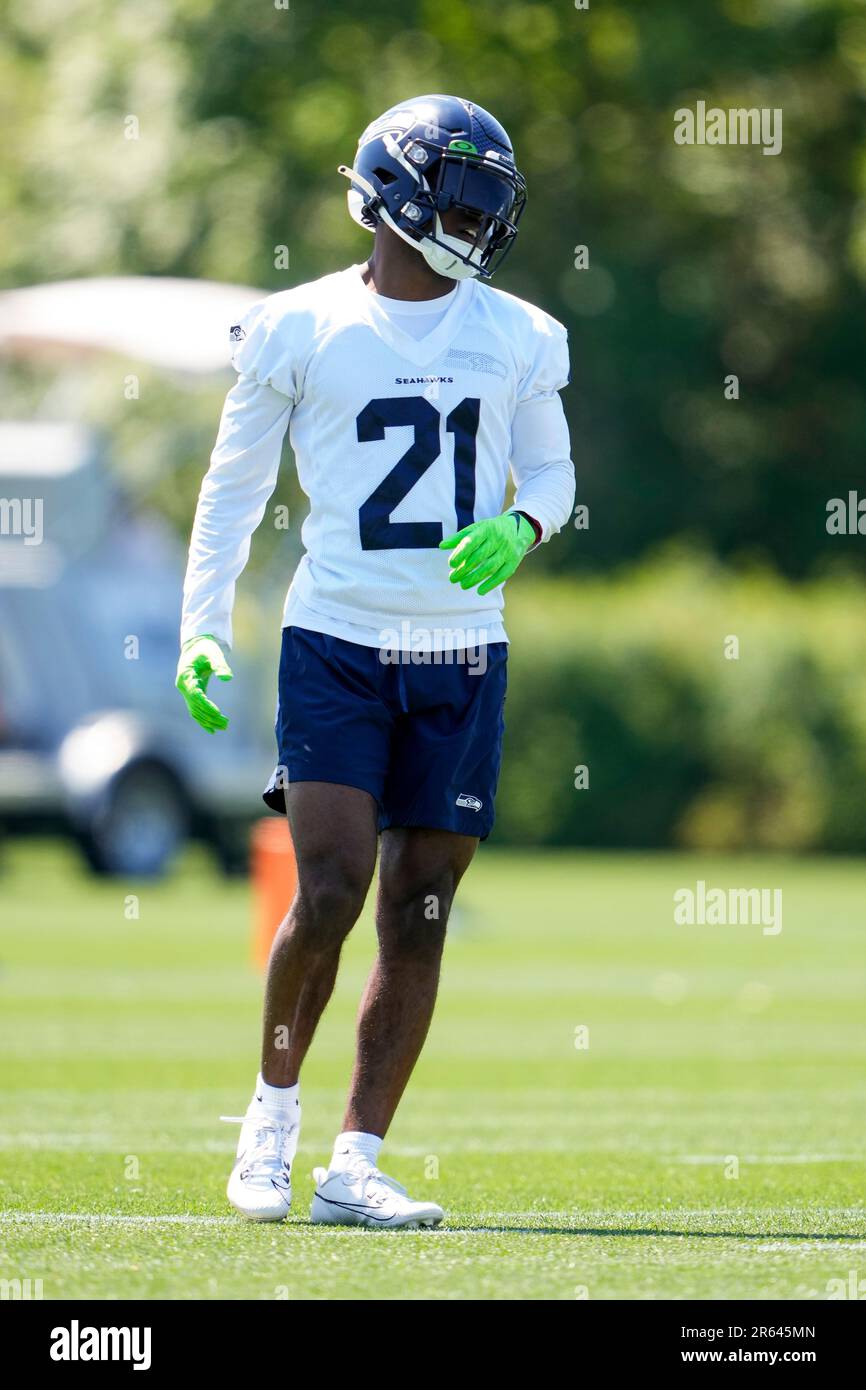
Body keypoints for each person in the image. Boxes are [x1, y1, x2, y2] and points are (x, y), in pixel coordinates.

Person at [176, 94, 575, 1227]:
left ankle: (357, 1160)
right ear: (394, 195)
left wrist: (525, 528)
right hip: (337, 641)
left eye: (490, 200)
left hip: (461, 651)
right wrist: (204, 624)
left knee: (422, 905)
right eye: (462, 196)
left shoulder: (520, 334)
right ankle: (269, 1121)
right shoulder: (296, 327)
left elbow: (551, 479)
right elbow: (232, 497)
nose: (479, 222)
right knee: (334, 884)